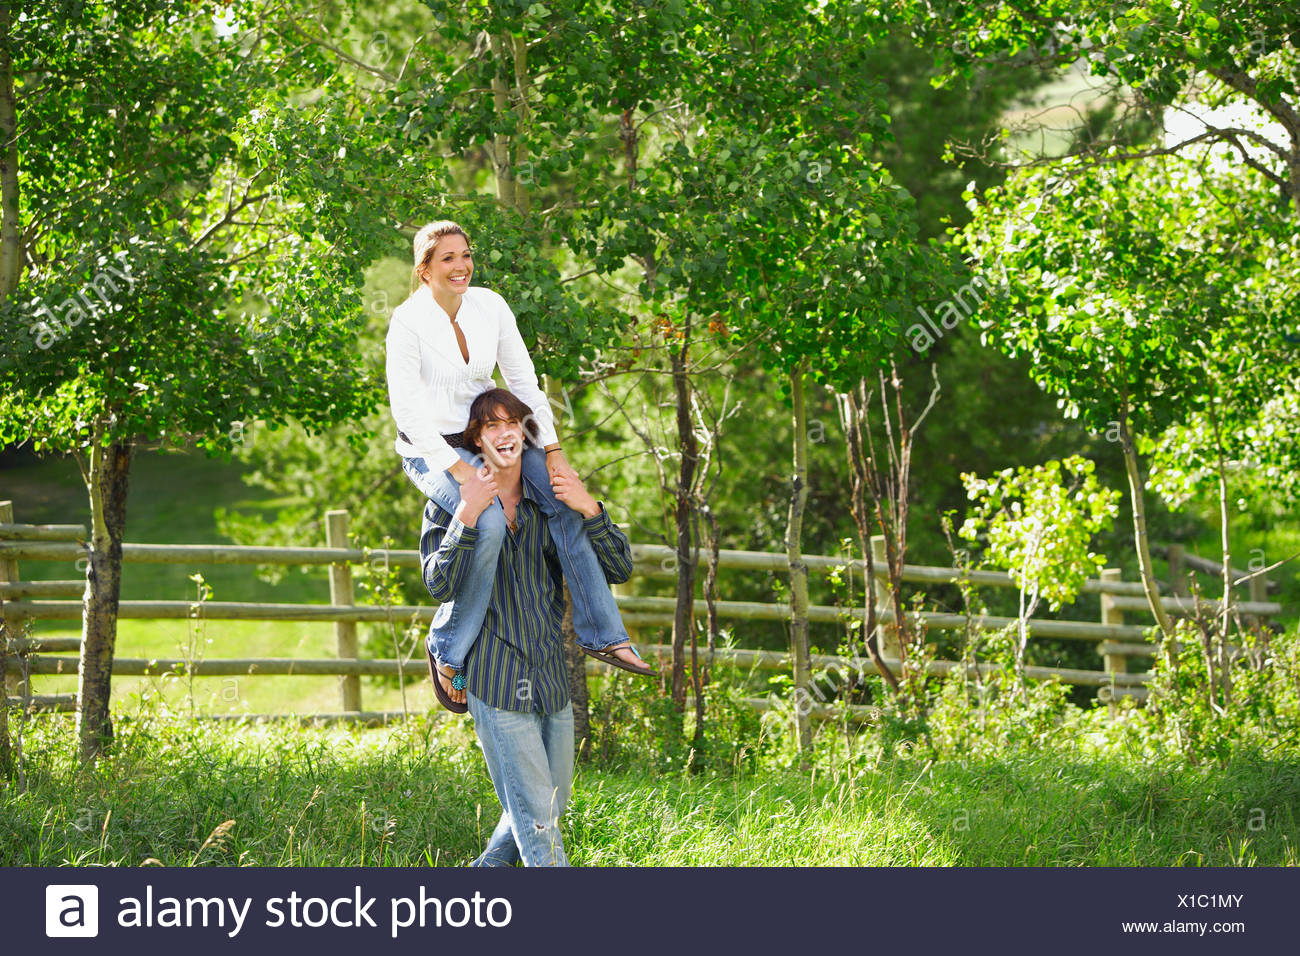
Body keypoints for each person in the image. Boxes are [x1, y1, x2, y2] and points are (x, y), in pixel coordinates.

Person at [386, 221, 653, 708]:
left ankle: (604, 634)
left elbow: (524, 383)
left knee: (563, 499)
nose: (460, 265)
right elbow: (406, 412)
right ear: (424, 269)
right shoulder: (406, 323)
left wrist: (552, 451)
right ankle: (447, 648)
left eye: (465, 254)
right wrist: (464, 475)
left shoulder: (491, 305)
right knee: (486, 523)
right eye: (447, 258)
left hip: (492, 431)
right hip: (431, 448)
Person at [420, 388, 633, 866]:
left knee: (547, 807)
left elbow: (617, 569)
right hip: (495, 680)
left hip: (550, 679)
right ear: (475, 439)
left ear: (524, 432)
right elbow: (437, 584)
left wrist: (590, 508)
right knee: (537, 820)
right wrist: (468, 515)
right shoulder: (448, 500)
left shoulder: (550, 504)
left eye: (512, 423)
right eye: (491, 425)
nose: (504, 433)